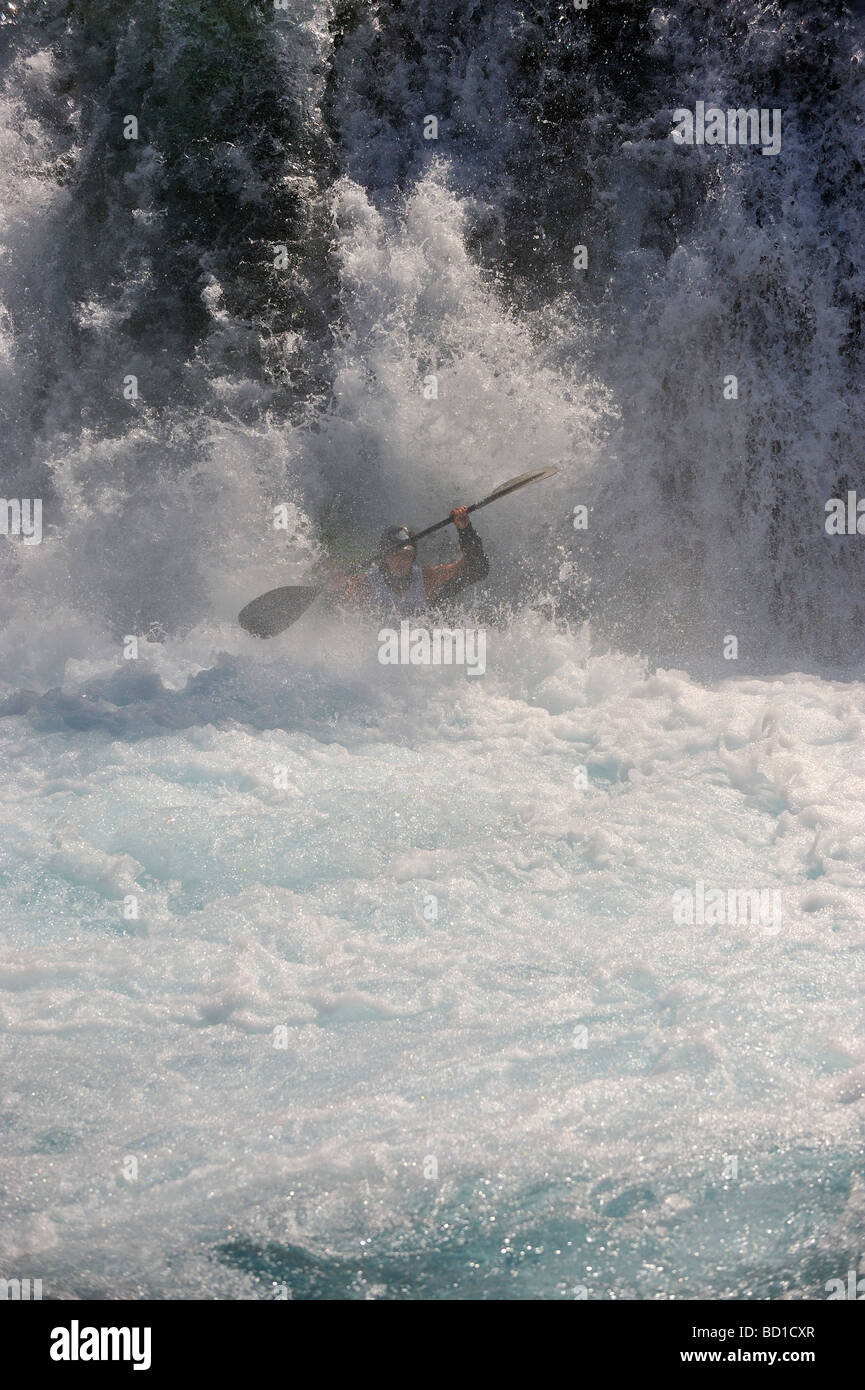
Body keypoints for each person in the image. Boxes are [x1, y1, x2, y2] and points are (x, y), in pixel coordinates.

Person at [327, 506, 489, 616]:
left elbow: (478, 567)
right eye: (394, 555)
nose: (400, 561)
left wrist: (464, 529)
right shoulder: (365, 584)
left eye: (405, 555)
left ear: (413, 557)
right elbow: (337, 611)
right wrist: (335, 589)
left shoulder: (427, 578)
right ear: (385, 556)